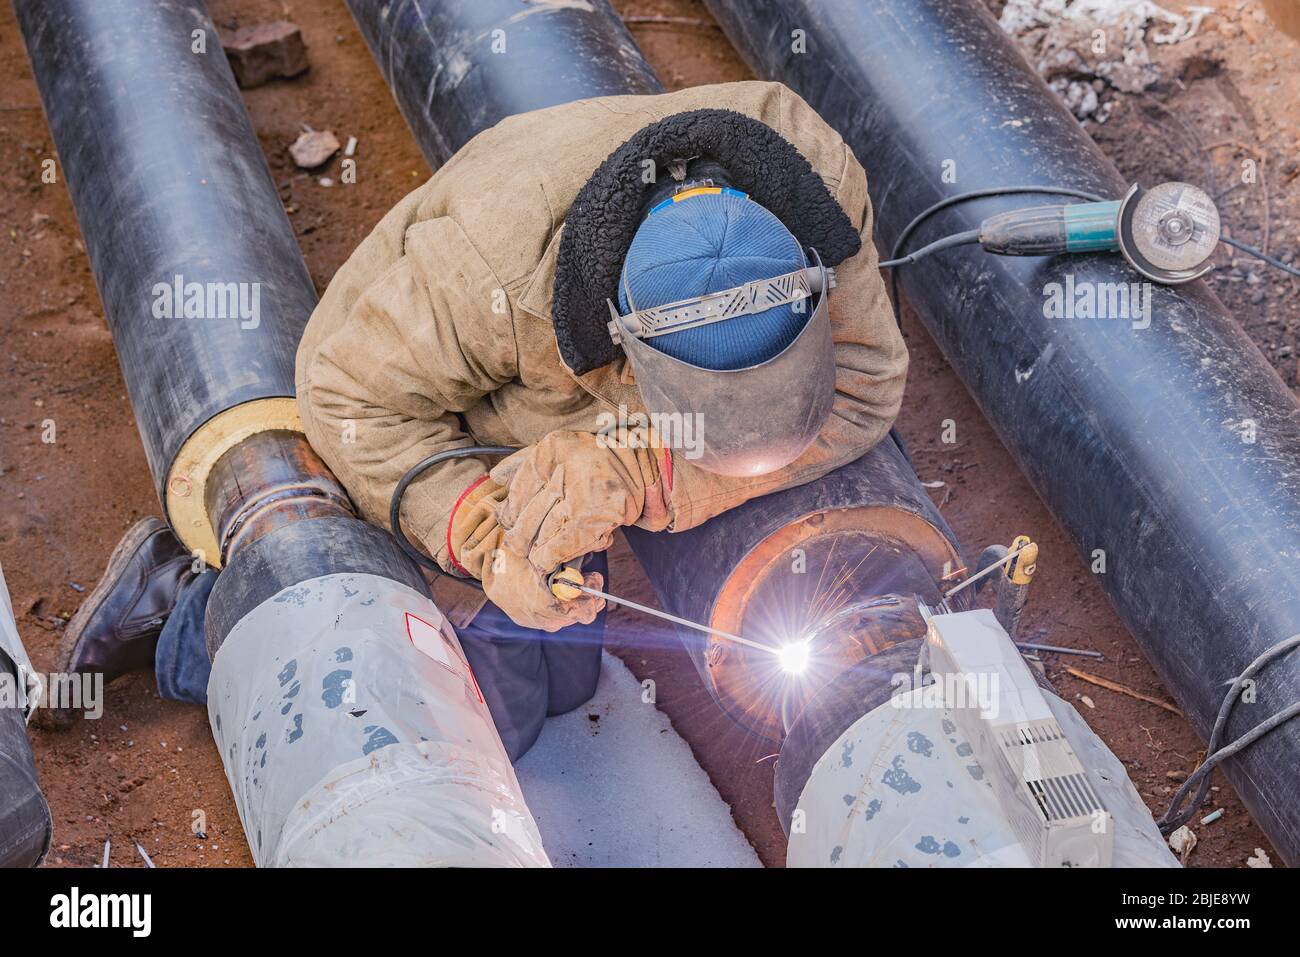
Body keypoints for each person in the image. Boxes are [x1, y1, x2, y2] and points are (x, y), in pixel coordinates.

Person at [45, 81, 907, 760]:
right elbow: (346, 395)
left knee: (567, 686)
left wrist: (640, 470)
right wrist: (489, 539)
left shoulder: (811, 181)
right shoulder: (486, 278)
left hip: (581, 421)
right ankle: (191, 612)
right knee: (482, 719)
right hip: (438, 416)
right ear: (627, 343)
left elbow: (866, 383)